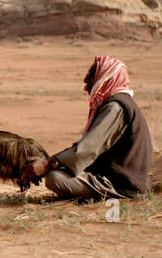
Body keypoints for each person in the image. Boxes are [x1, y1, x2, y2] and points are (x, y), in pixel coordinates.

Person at [44, 56, 152, 201]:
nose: (86, 86)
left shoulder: (115, 108)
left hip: (123, 184)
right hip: (123, 178)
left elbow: (88, 149)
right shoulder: (120, 103)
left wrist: (48, 165)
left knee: (54, 177)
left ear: (104, 80)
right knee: (62, 170)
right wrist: (53, 162)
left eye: (90, 81)